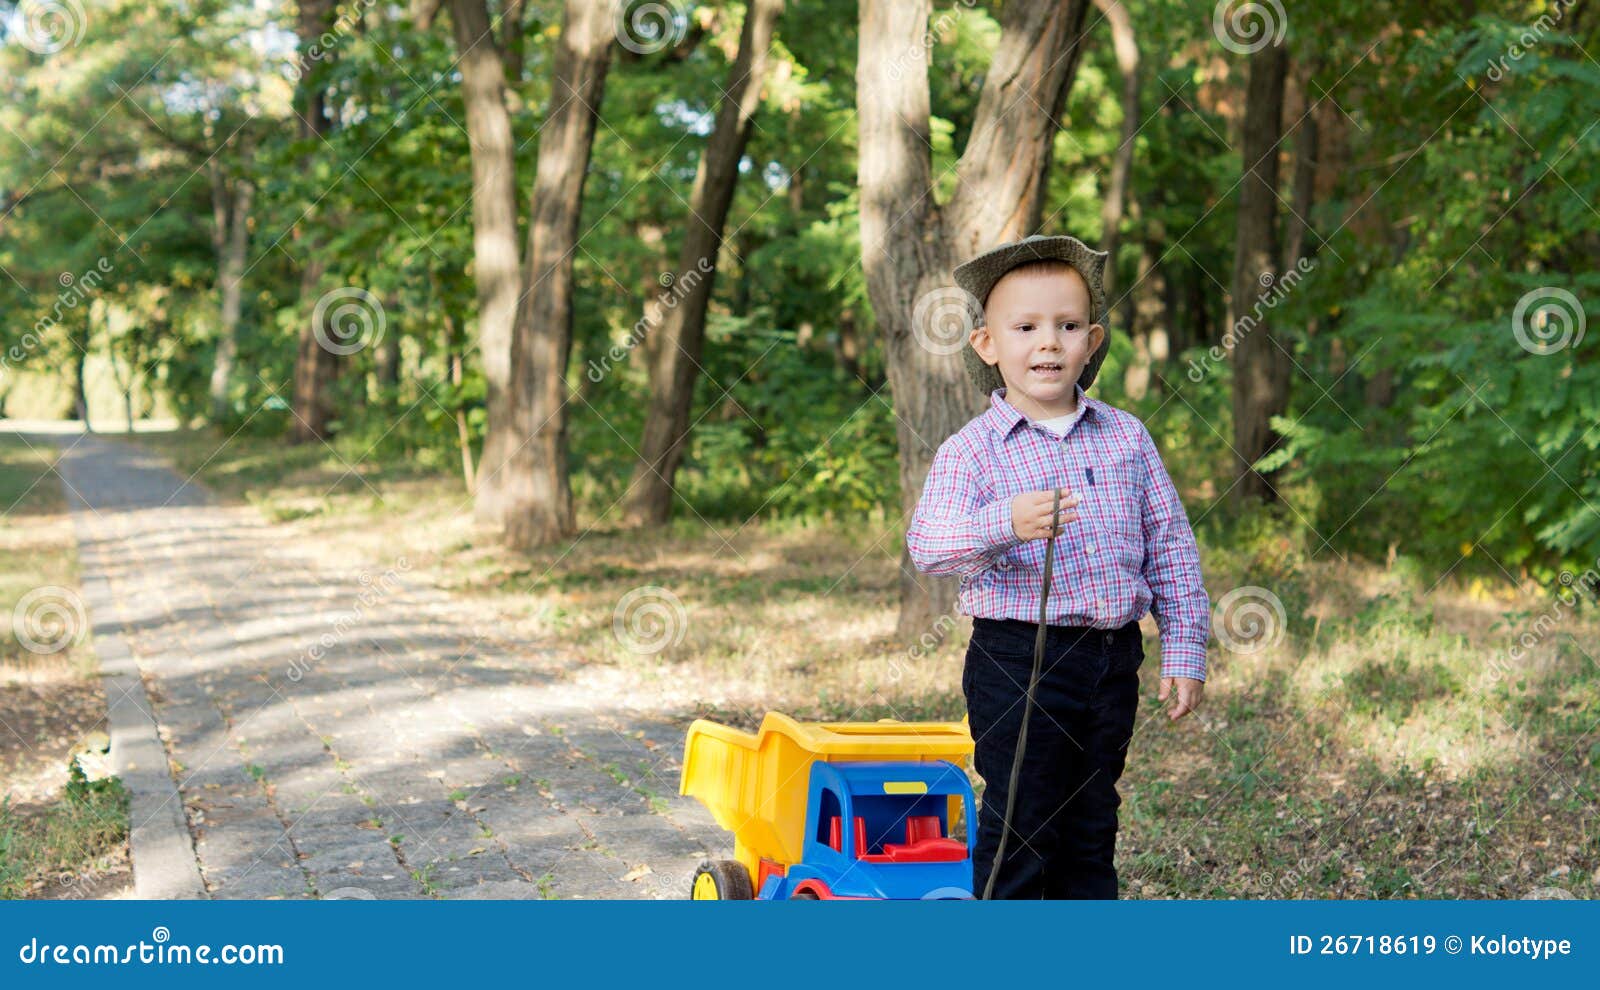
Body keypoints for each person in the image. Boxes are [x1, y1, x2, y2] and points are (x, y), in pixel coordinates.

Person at [905, 234, 1210, 899]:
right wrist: (1004, 524)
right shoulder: (973, 451)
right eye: (1026, 327)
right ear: (987, 344)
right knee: (1022, 818)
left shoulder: (1126, 436)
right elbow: (928, 545)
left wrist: (1184, 649)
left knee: (1092, 816)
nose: (1048, 343)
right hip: (1017, 660)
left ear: (1092, 339)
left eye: (1067, 326)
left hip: (1110, 659)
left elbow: (1172, 547)